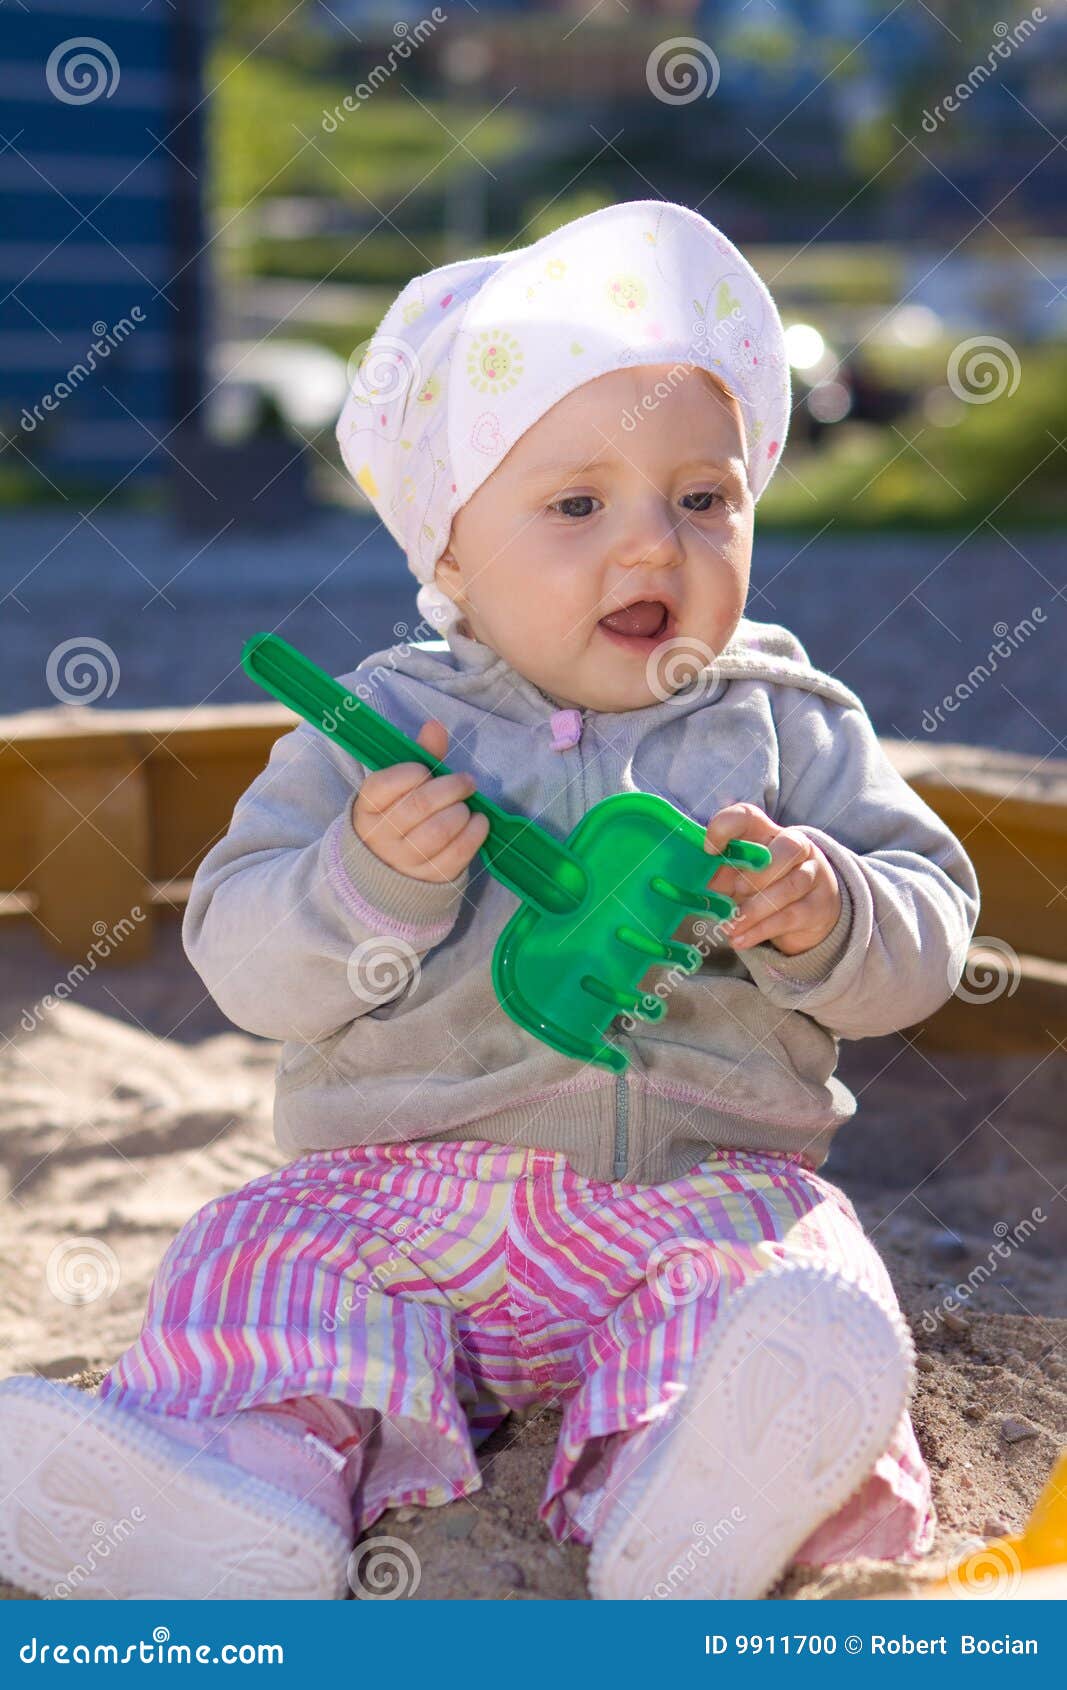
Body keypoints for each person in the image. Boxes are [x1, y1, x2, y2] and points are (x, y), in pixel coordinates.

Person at [0, 200, 980, 1601]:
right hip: (396, 1194)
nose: (652, 550)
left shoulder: (787, 728)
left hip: (691, 1193)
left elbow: (933, 920)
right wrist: (366, 882)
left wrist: (835, 917)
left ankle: (692, 1493)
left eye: (701, 501)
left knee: (802, 1292)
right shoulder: (380, 728)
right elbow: (237, 952)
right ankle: (240, 1499)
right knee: (256, 1253)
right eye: (577, 505)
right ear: (449, 556)